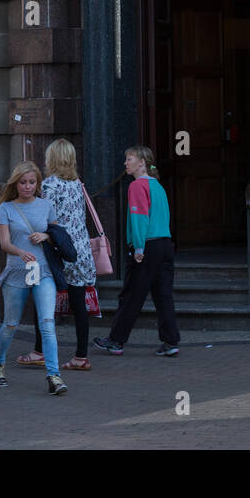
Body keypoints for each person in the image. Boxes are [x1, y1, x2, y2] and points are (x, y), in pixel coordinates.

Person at [16, 139, 98, 371]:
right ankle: (81, 356)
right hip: (79, 251)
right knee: (79, 304)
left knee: (43, 300)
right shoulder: (76, 184)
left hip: (57, 250)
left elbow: (45, 220)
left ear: (52, 159)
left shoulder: (50, 185)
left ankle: (39, 351)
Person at [0, 161, 68, 395]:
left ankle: (54, 376)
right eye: (23, 182)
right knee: (11, 324)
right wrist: (20, 251)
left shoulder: (46, 206)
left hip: (43, 272)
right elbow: (4, 243)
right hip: (16, 272)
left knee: (47, 323)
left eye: (32, 182)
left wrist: (45, 236)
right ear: (16, 183)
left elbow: (58, 237)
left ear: (37, 183)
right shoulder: (6, 208)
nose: (27, 186)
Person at [93, 146, 181, 357]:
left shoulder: (136, 186)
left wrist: (139, 247)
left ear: (142, 162)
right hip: (165, 244)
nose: (126, 163)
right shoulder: (158, 186)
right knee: (163, 295)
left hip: (147, 245)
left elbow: (139, 217)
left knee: (132, 294)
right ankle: (170, 341)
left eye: (129, 159)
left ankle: (116, 340)